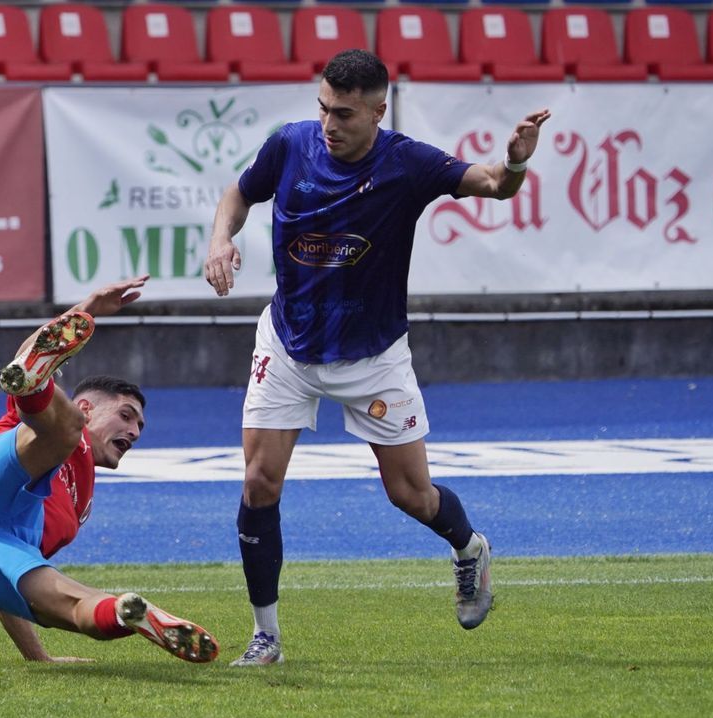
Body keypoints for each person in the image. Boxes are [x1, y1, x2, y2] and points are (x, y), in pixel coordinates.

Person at [203, 48, 551, 666]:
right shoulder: (290, 144)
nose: (328, 124)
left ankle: (469, 548)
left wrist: (517, 162)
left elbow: (495, 184)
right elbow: (239, 192)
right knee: (259, 482)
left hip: (373, 356)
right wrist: (220, 239)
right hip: (288, 343)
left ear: (377, 112)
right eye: (323, 108)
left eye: (343, 114)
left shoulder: (408, 163)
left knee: (411, 495)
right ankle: (266, 636)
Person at [0, 274, 218, 664]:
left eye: (139, 427)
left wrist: (39, 659)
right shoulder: (68, 430)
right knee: (60, 427)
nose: (134, 432)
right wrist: (89, 308)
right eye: (126, 415)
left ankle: (127, 613)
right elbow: (23, 360)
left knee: (81, 607)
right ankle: (37, 384)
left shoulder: (78, 509)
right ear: (86, 408)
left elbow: (9, 587)